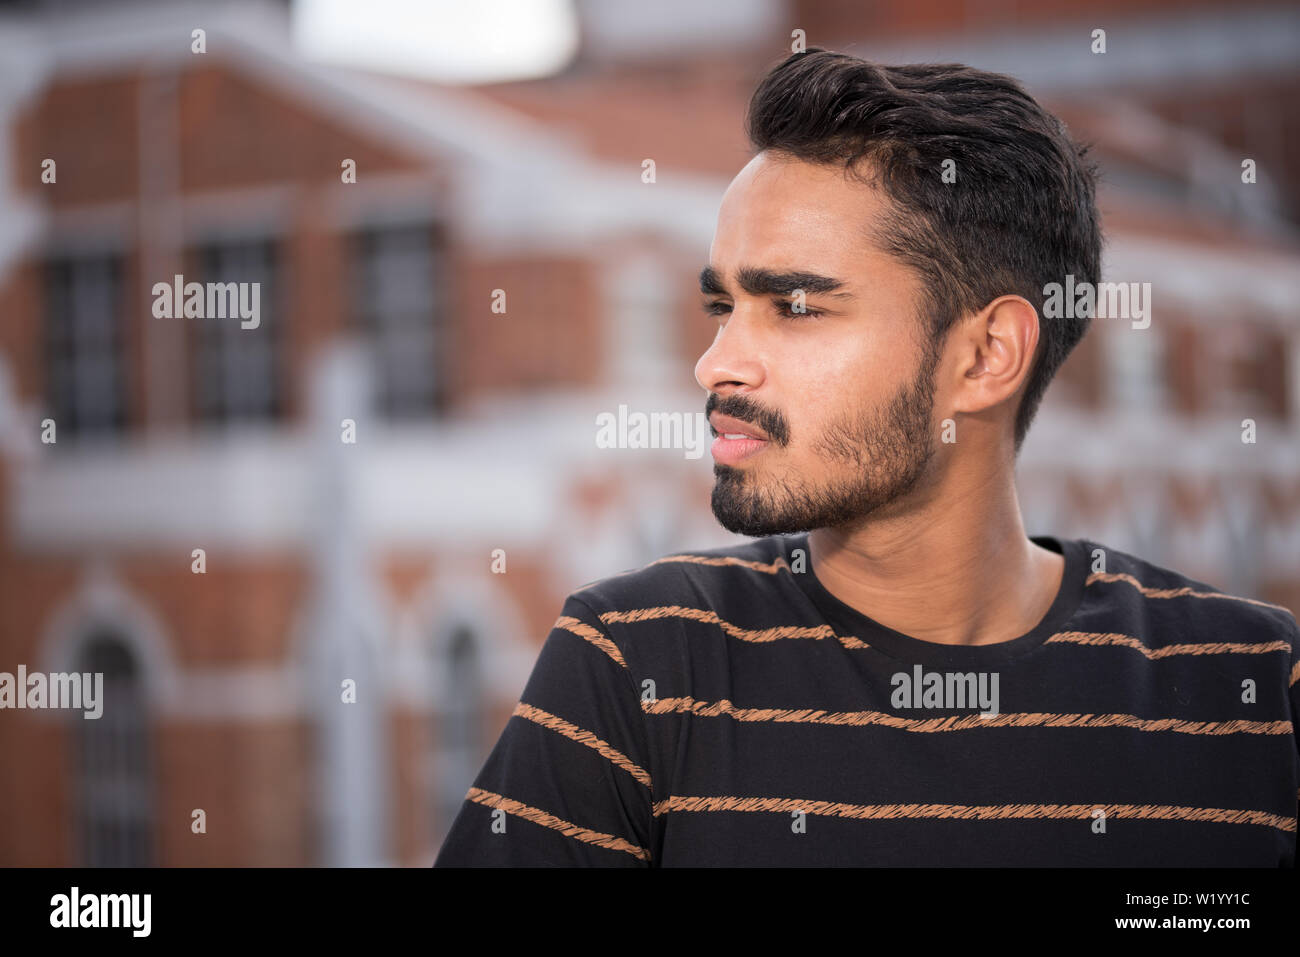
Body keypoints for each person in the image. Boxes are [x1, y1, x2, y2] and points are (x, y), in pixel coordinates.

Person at [434, 49, 1299, 867]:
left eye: (796, 307)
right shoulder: (639, 667)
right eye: (722, 305)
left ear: (987, 355)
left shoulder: (1256, 690)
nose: (716, 363)